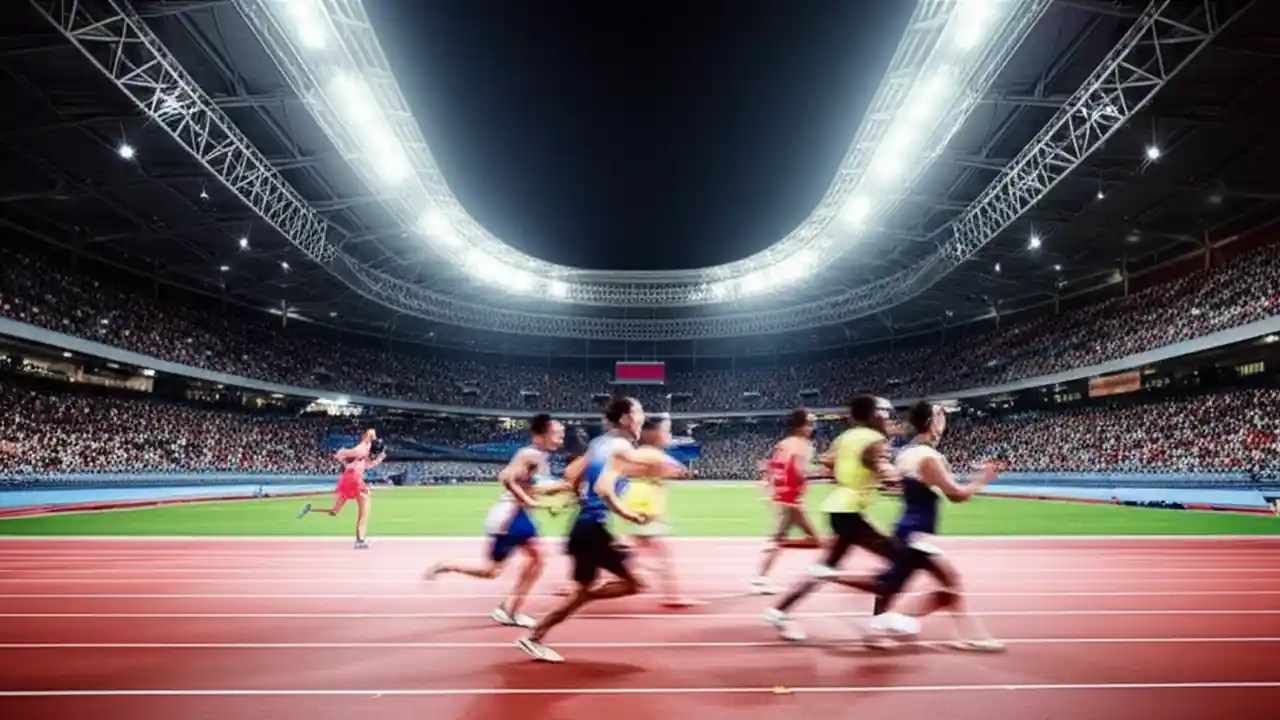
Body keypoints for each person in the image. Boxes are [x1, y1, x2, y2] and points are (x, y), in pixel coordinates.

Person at [517, 396, 686, 663]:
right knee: (633, 584)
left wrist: (578, 497)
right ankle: (550, 623)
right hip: (592, 529)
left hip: (582, 526)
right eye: (639, 412)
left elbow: (572, 475)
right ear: (625, 418)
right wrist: (629, 514)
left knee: (583, 591)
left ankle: (534, 636)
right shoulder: (620, 447)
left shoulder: (598, 444)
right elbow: (603, 488)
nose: (642, 418)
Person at [854, 402, 1003, 651]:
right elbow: (957, 494)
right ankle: (969, 636)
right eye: (940, 416)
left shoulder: (906, 453)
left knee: (892, 586)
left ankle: (880, 627)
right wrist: (982, 479)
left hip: (908, 528)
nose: (944, 420)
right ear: (931, 423)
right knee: (944, 583)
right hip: (917, 533)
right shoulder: (929, 458)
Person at [764, 395, 900, 642]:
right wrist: (895, 479)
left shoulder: (845, 437)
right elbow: (880, 466)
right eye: (885, 412)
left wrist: (846, 475)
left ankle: (778, 611)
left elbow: (828, 462)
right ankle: (879, 623)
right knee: (898, 557)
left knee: (825, 567)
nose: (889, 417)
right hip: (849, 512)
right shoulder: (876, 440)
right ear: (874, 415)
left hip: (839, 509)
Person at [425, 414, 567, 628]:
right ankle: (453, 568)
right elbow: (505, 477)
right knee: (499, 569)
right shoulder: (530, 454)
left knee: (529, 561)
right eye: (556, 434)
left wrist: (556, 491)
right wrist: (531, 500)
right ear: (541, 435)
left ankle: (509, 609)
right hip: (509, 518)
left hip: (518, 517)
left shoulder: (538, 456)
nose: (560, 439)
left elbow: (532, 485)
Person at [626, 416, 701, 608]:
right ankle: (672, 596)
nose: (668, 435)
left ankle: (614, 576)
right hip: (644, 511)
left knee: (633, 554)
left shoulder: (643, 454)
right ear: (653, 434)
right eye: (665, 431)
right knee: (663, 555)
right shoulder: (650, 455)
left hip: (640, 509)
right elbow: (679, 471)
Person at [752, 408, 823, 595]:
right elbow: (799, 471)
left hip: (783, 496)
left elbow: (773, 468)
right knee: (815, 540)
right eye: (809, 424)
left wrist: (771, 490)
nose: (811, 427)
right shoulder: (803, 445)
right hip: (791, 499)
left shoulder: (782, 444)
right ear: (799, 426)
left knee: (783, 536)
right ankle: (820, 569)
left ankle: (762, 575)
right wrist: (823, 472)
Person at [297, 429, 386, 549]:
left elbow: (370, 432)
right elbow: (371, 437)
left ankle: (311, 509)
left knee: (334, 511)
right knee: (363, 513)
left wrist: (372, 439)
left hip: (346, 480)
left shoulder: (363, 448)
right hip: (355, 481)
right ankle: (360, 540)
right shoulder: (364, 450)